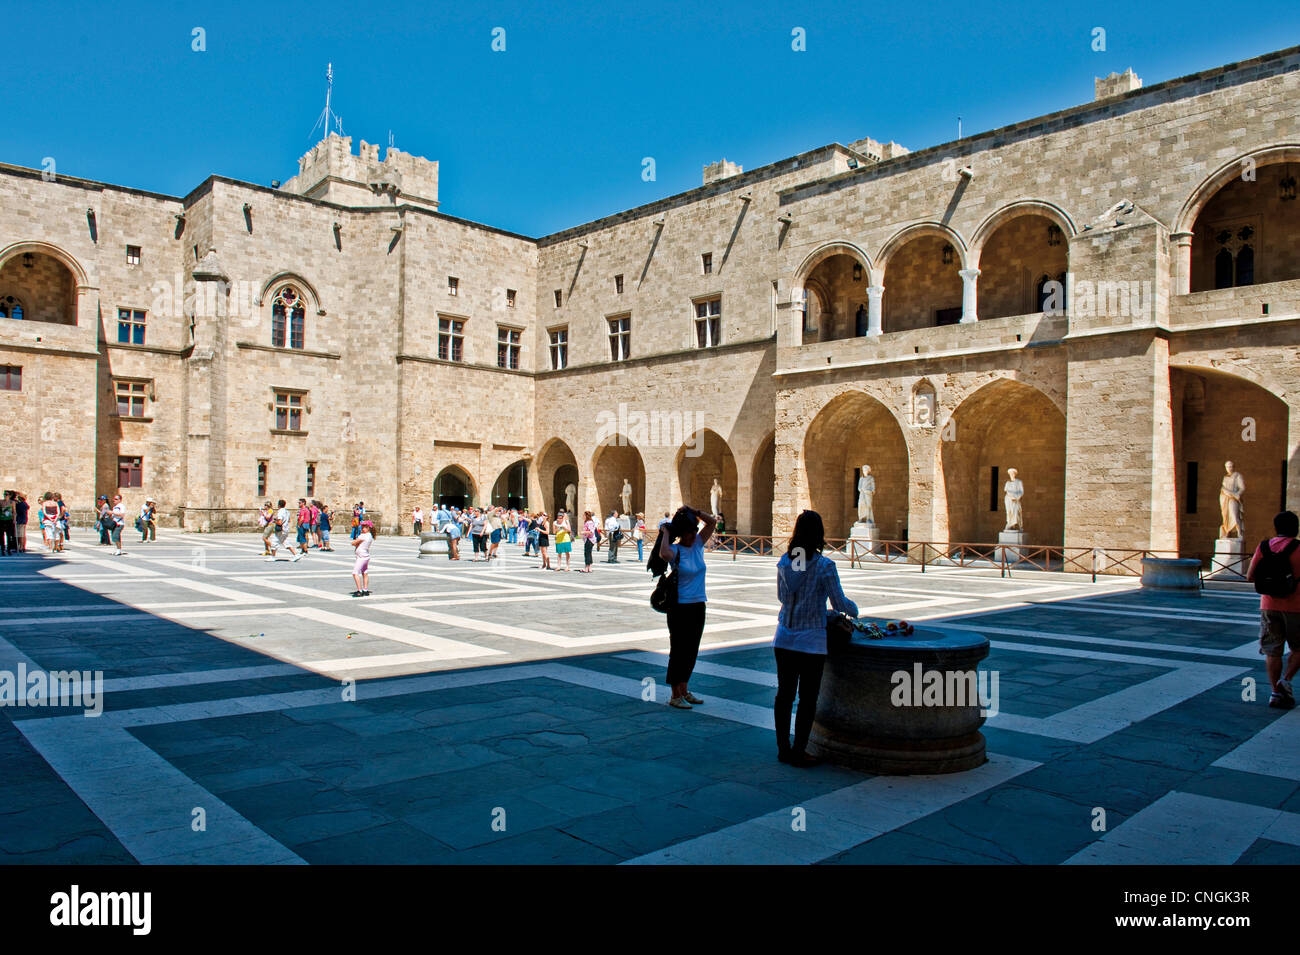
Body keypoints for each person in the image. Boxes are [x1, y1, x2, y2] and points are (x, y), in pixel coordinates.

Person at [773, 510, 859, 766]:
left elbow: (781, 597)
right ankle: (799, 751)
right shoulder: (824, 566)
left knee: (784, 696)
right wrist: (854, 609)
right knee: (807, 699)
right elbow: (840, 602)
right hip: (810, 642)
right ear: (819, 534)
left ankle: (783, 749)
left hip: (784, 637)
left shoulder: (785, 562)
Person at [652, 505, 717, 708]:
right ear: (682, 534)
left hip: (699, 604)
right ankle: (675, 694)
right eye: (689, 533)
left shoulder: (698, 544)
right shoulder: (676, 551)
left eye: (693, 532)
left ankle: (685, 689)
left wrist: (695, 511)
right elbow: (663, 553)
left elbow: (712, 522)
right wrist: (666, 531)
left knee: (692, 650)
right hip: (679, 607)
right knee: (678, 650)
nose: (692, 535)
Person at [1246, 510, 1300, 710]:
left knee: (1272, 650)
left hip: (1269, 606)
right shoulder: (1299, 548)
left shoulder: (1264, 547)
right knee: (1299, 648)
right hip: (1297, 606)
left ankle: (1275, 693)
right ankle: (1286, 680)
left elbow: (1250, 576)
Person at [351, 520, 374, 597]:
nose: (363, 528)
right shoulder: (370, 535)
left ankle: (359, 590)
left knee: (355, 572)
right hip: (366, 555)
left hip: (361, 556)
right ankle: (365, 589)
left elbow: (353, 543)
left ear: (368, 528)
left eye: (365, 527)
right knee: (364, 572)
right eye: (362, 527)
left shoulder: (363, 536)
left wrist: (354, 541)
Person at [0, 491, 16, 556]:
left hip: (9, 520)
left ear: (9, 496)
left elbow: (14, 511)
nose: (5, 496)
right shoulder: (1, 502)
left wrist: (14, 519)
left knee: (9, 536)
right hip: (1, 520)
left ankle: (9, 549)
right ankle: (3, 549)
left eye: (7, 495)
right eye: (5, 494)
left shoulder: (12, 502)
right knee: (1, 536)